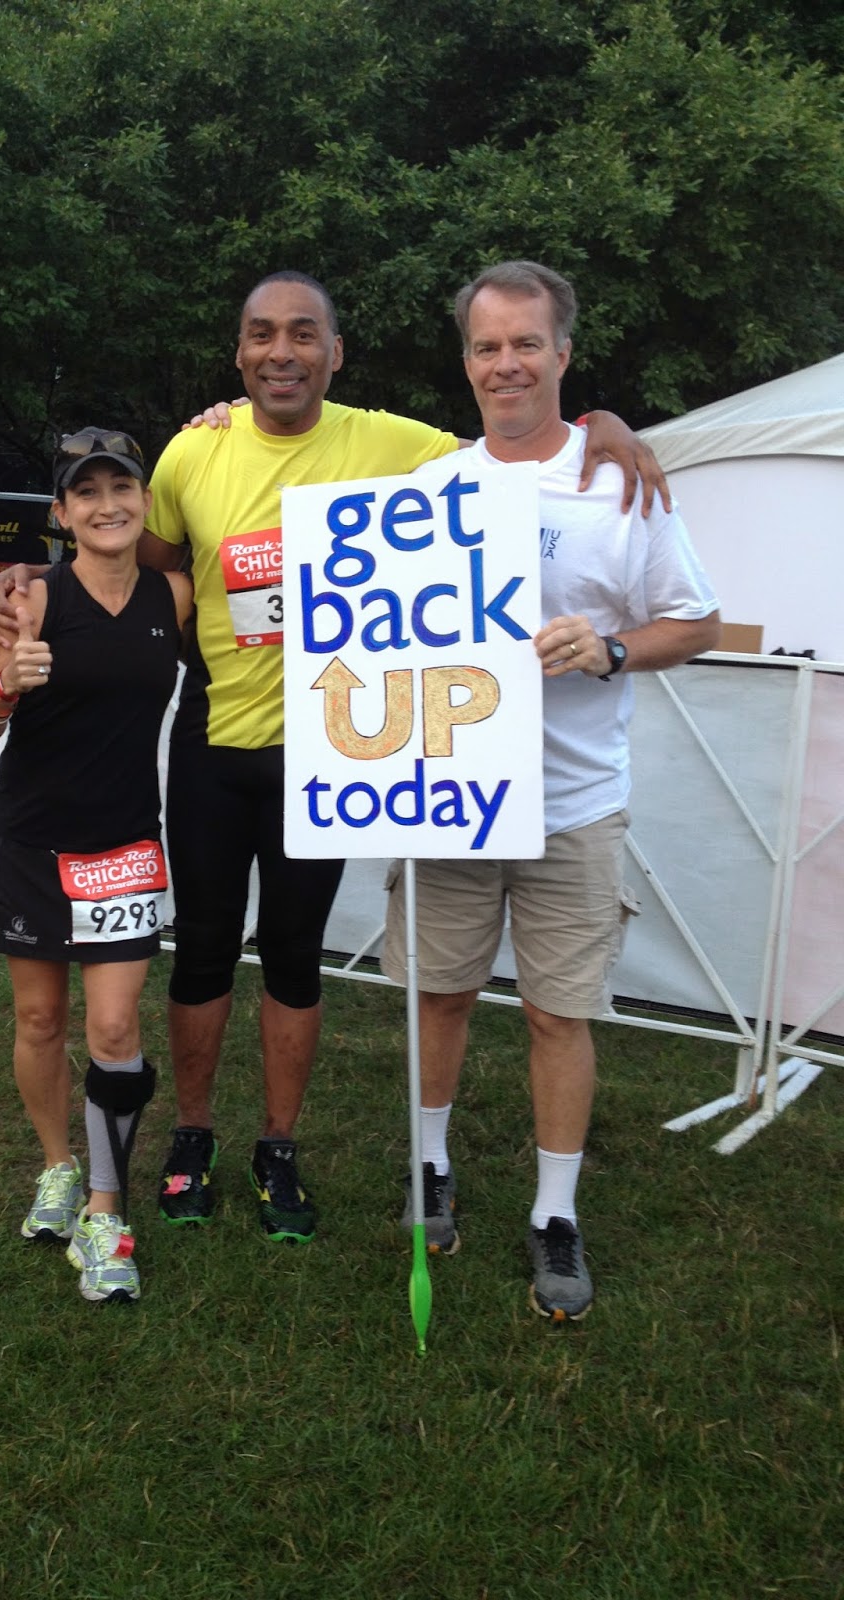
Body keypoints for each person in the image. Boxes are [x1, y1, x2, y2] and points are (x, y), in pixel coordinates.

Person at [0, 271, 668, 1246]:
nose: (283, 351)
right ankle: (194, 1137)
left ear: (335, 352)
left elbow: (514, 446)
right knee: (205, 953)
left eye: (304, 334)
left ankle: (279, 1145)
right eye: (262, 335)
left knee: (295, 959)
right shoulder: (191, 450)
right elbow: (135, 562)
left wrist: (605, 422)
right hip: (215, 742)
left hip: (330, 757)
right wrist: (22, 583)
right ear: (239, 354)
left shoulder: (391, 442)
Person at [381, 261, 720, 1320]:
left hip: (573, 802)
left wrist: (611, 648)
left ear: (564, 354)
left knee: (555, 1013)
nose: (507, 363)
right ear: (467, 360)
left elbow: (696, 620)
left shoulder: (623, 480)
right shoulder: (433, 486)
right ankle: (429, 1168)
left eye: (527, 342)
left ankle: (554, 1212)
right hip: (454, 796)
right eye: (487, 345)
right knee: (437, 993)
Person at [0, 428, 192, 1303]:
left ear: (143, 503)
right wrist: (6, 686)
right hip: (30, 843)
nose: (107, 505)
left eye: (120, 488)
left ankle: (103, 1209)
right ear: (60, 516)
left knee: (115, 1035)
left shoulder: (176, 596)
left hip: (126, 846)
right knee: (37, 1023)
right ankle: (57, 1164)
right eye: (85, 493)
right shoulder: (32, 600)